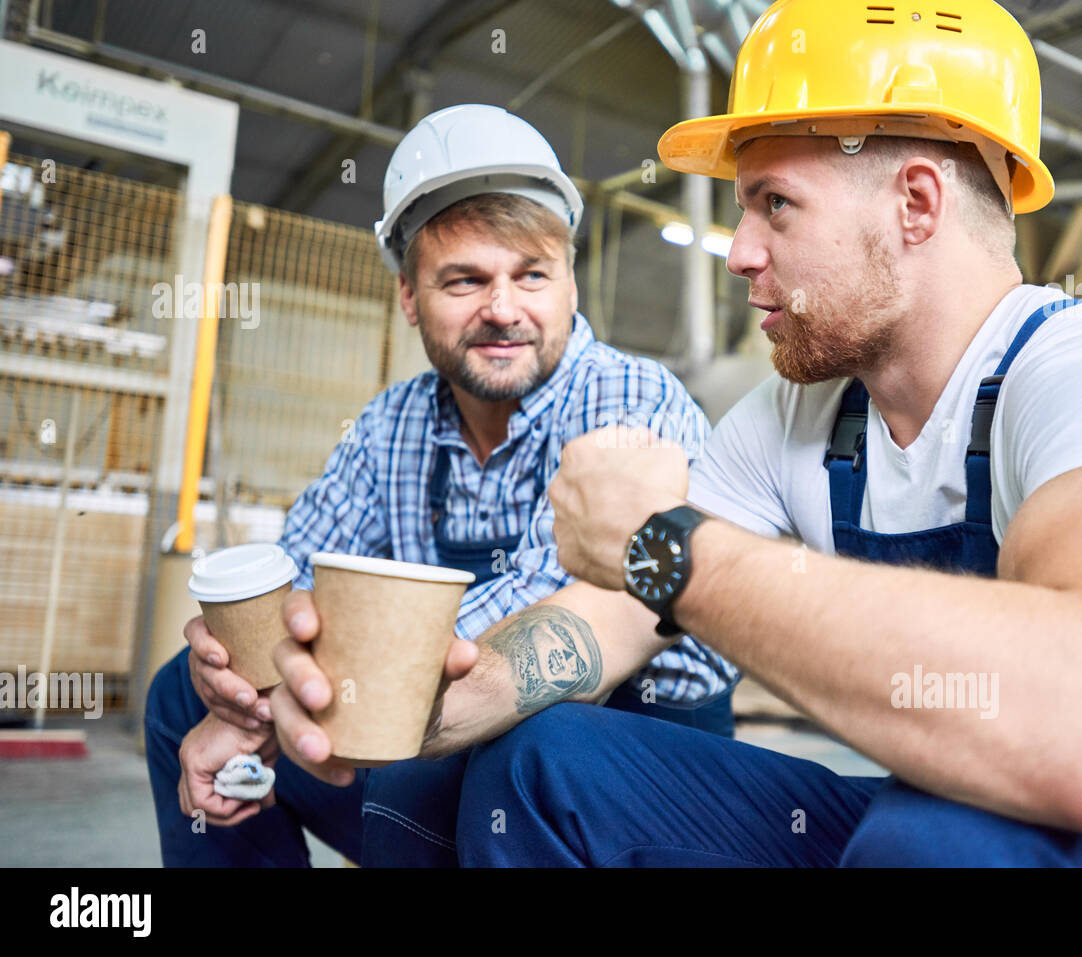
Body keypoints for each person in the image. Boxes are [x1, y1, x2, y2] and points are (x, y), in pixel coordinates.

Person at [439, 0, 1082, 866]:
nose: (737, 250)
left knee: (935, 841)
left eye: (775, 203)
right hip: (964, 808)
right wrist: (423, 699)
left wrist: (672, 547)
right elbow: (624, 607)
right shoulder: (803, 413)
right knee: (543, 764)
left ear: (916, 204)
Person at [143, 104, 737, 867]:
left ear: (570, 284)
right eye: (465, 280)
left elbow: (541, 625)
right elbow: (297, 569)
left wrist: (287, 701)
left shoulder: (630, 405)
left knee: (423, 766)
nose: (503, 309)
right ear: (408, 295)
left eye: (531, 276)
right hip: (445, 735)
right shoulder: (391, 425)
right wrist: (242, 672)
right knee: (177, 697)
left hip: (626, 761)